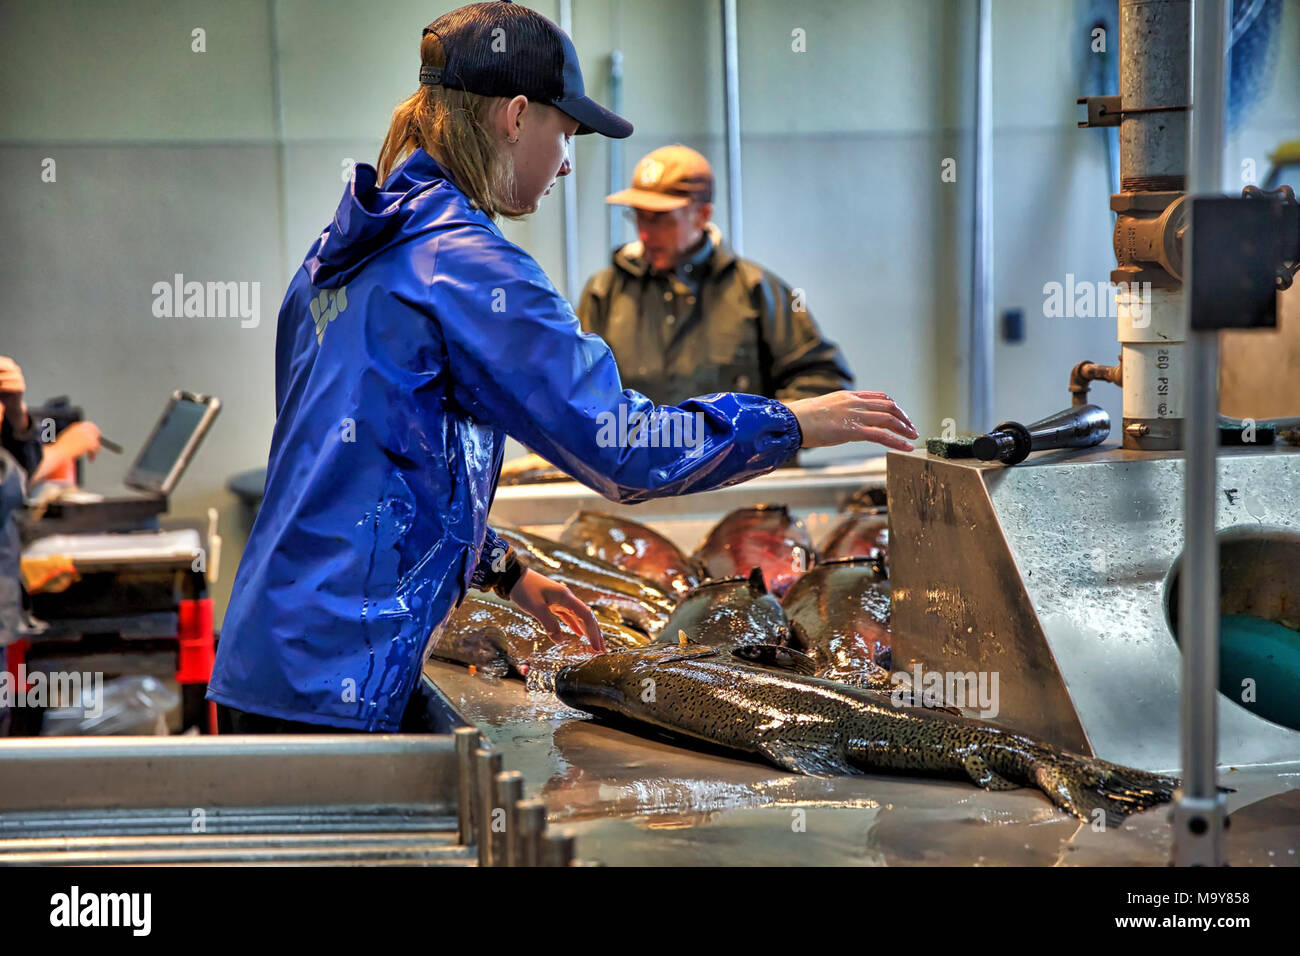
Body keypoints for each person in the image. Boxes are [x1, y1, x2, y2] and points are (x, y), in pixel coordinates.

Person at [206, 1, 917, 734]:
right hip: (333, 686)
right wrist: (791, 421)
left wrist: (505, 571)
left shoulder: (350, 245)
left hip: (266, 662)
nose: (568, 162)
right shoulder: (468, 269)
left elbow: (373, 467)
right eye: (566, 133)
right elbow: (625, 450)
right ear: (516, 117)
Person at [577, 144, 854, 406]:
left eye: (660, 219)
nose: (645, 233)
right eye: (639, 216)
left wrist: (762, 433)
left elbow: (824, 382)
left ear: (702, 215)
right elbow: (575, 388)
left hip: (739, 459)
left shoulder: (757, 290)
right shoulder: (603, 292)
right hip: (633, 456)